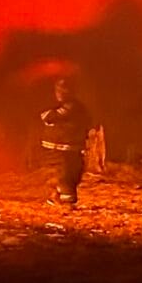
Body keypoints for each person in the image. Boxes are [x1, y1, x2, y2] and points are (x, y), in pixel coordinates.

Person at [38, 76, 94, 209]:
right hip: (62, 146)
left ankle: (58, 196)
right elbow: (50, 117)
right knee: (66, 172)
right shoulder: (67, 106)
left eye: (63, 90)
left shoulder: (73, 106)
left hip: (70, 145)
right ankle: (65, 200)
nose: (60, 93)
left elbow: (52, 116)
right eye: (58, 90)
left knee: (73, 171)